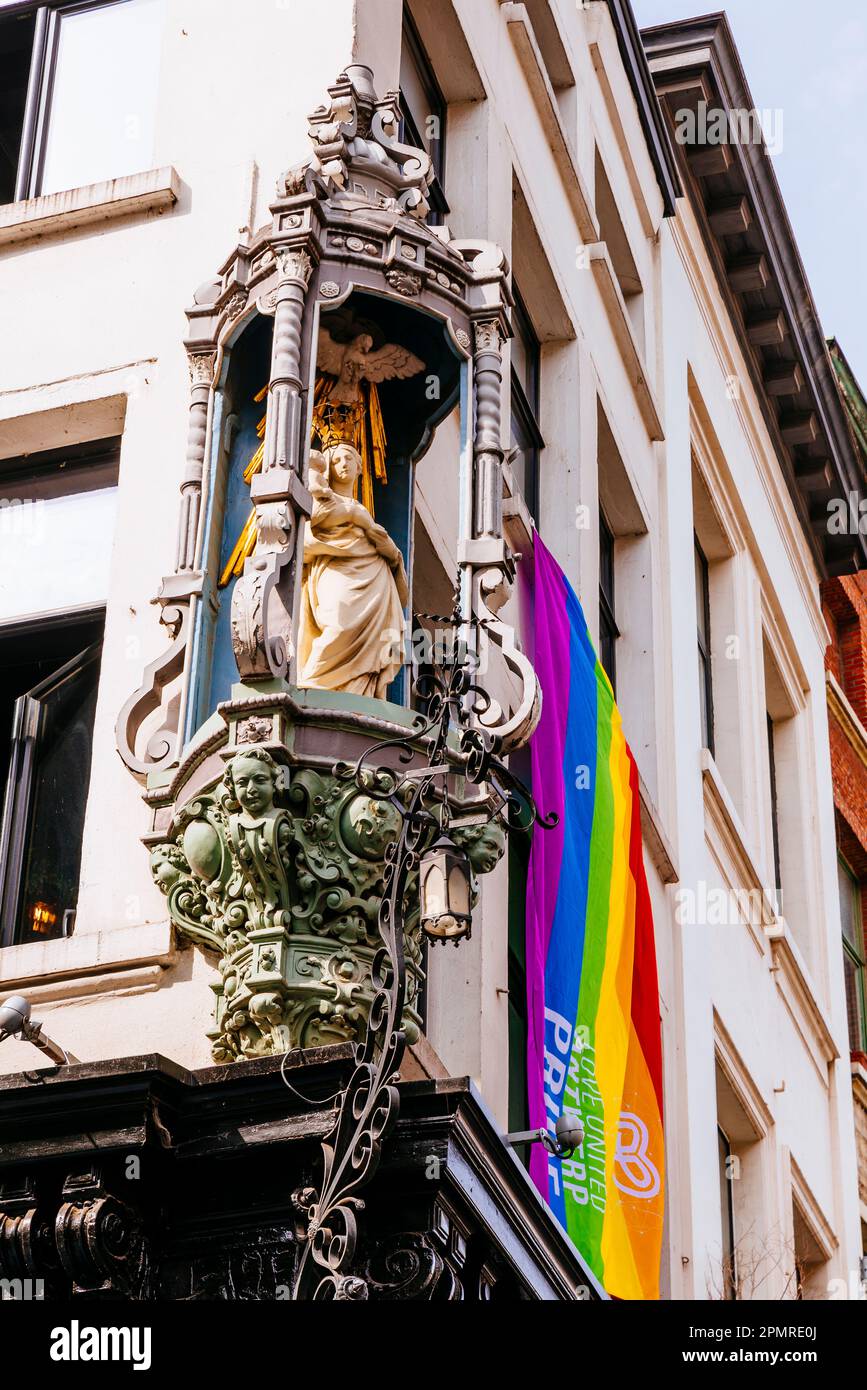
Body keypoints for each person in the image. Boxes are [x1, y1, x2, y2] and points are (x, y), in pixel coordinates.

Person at [298, 443, 407, 698]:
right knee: (338, 624)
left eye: (349, 458)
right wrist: (350, 513)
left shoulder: (361, 510)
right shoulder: (320, 496)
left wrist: (390, 550)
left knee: (373, 639)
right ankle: (312, 685)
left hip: (373, 573)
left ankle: (360, 691)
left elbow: (381, 541)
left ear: (360, 467)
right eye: (336, 460)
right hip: (333, 565)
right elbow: (308, 523)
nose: (343, 464)